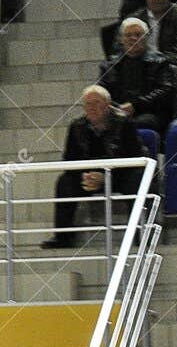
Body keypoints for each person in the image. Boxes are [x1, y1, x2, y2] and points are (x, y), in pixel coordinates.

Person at [43, 85, 145, 249]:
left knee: (137, 181)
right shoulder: (77, 126)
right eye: (88, 104)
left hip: (120, 175)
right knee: (65, 182)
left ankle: (142, 235)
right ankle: (62, 237)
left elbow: (135, 157)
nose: (92, 108)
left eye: (96, 103)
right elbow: (69, 161)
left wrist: (105, 177)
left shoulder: (125, 123)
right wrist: (85, 176)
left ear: (107, 105)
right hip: (88, 178)